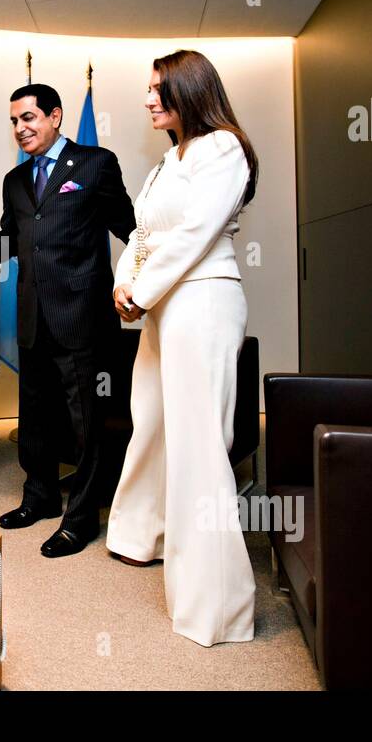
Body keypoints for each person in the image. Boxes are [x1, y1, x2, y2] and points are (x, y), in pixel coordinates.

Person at [107, 50, 261, 647]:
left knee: (198, 442)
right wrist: (126, 281)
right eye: (146, 89)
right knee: (153, 423)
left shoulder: (223, 148)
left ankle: (216, 607)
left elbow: (195, 233)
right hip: (161, 304)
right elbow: (145, 235)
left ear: (188, 91)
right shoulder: (166, 160)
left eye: (156, 89)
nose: (147, 98)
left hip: (202, 301)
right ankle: (146, 538)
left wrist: (141, 290)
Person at [0, 84, 136, 557]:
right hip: (32, 318)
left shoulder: (96, 163)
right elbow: (9, 243)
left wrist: (139, 286)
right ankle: (39, 498)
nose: (21, 128)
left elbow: (131, 231)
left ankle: (81, 519)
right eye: (14, 121)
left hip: (83, 319)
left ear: (55, 116)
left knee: (85, 422)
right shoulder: (15, 180)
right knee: (35, 416)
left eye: (29, 118)